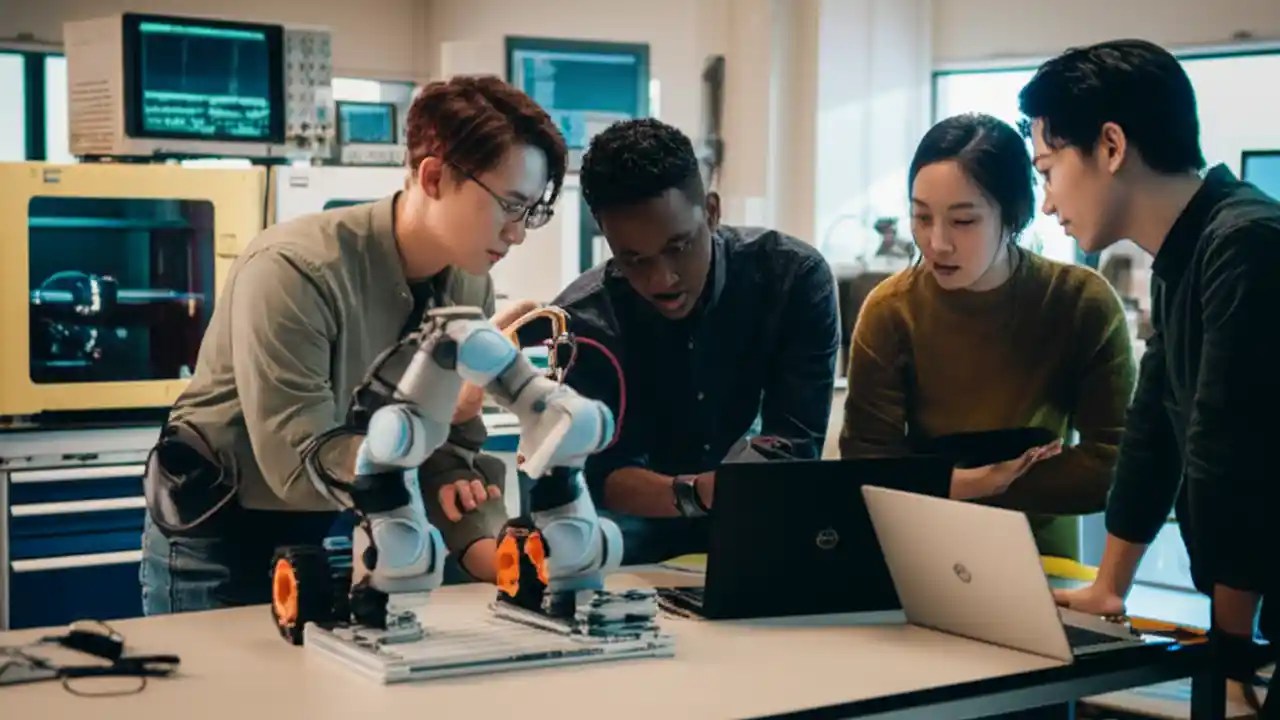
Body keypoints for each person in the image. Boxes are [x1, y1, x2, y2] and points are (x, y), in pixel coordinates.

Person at [139, 75, 567, 613]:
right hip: (216, 533)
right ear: (434, 177)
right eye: (509, 205)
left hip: (327, 523)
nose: (518, 233)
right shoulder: (293, 270)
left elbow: (449, 447)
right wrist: (430, 420)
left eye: (531, 212)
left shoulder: (467, 282)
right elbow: (297, 465)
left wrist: (461, 489)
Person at [1021, 39, 1280, 710]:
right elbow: (1153, 430)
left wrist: (1231, 655)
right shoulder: (1187, 251)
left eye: (1048, 170)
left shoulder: (1245, 245)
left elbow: (1231, 458)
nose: (1046, 203)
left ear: (1111, 146)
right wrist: (1110, 587)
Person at [517, 118, 840, 565]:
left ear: (711, 211)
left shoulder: (793, 278)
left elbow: (795, 444)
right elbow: (594, 474)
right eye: (633, 259)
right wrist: (696, 494)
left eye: (679, 247)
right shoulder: (583, 323)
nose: (661, 279)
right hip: (630, 535)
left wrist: (732, 490)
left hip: (759, 519)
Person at [840, 112, 1137, 560]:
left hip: (1039, 555)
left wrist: (942, 481)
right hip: (920, 554)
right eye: (921, 217)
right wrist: (977, 480)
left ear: (1014, 216)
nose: (937, 243)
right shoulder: (891, 311)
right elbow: (866, 469)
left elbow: (1115, 465)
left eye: (963, 221)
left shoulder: (1079, 303)